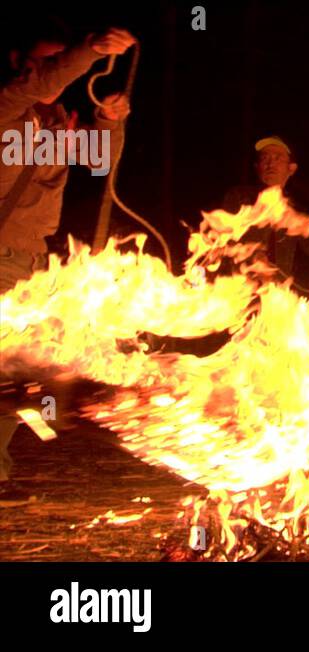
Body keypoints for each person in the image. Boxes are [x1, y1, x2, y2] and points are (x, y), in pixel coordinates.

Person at [0, 20, 135, 498]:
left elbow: (101, 162)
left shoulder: (57, 121)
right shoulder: (7, 104)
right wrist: (89, 51)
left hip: (35, 264)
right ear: (22, 64)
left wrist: (109, 120)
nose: (57, 72)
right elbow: (46, 80)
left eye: (61, 61)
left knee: (24, 373)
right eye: (47, 61)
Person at [220, 136, 309, 311]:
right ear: (257, 167)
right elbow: (222, 238)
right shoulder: (239, 197)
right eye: (265, 158)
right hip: (240, 290)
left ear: (291, 168)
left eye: (277, 158)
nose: (270, 164)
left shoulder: (294, 207)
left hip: (277, 294)